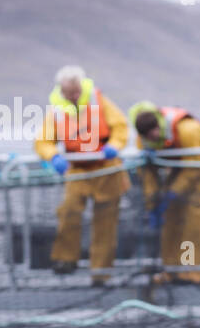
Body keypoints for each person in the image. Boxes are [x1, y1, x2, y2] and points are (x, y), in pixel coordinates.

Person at [35, 65, 130, 286]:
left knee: (105, 221)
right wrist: (53, 156)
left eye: (75, 91)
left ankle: (101, 272)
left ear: (81, 87)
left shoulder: (100, 101)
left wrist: (114, 146)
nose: (73, 96)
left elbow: (120, 127)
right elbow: (43, 141)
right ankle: (64, 260)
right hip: (77, 169)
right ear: (62, 90)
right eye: (68, 92)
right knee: (68, 212)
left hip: (106, 168)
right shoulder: (57, 110)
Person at [128, 102, 200, 285]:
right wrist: (153, 202)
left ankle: (190, 272)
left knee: (193, 226)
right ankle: (170, 271)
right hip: (177, 170)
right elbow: (147, 172)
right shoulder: (143, 139)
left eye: (154, 132)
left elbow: (193, 166)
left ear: (159, 125)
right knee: (170, 222)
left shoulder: (188, 129)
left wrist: (172, 193)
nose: (152, 137)